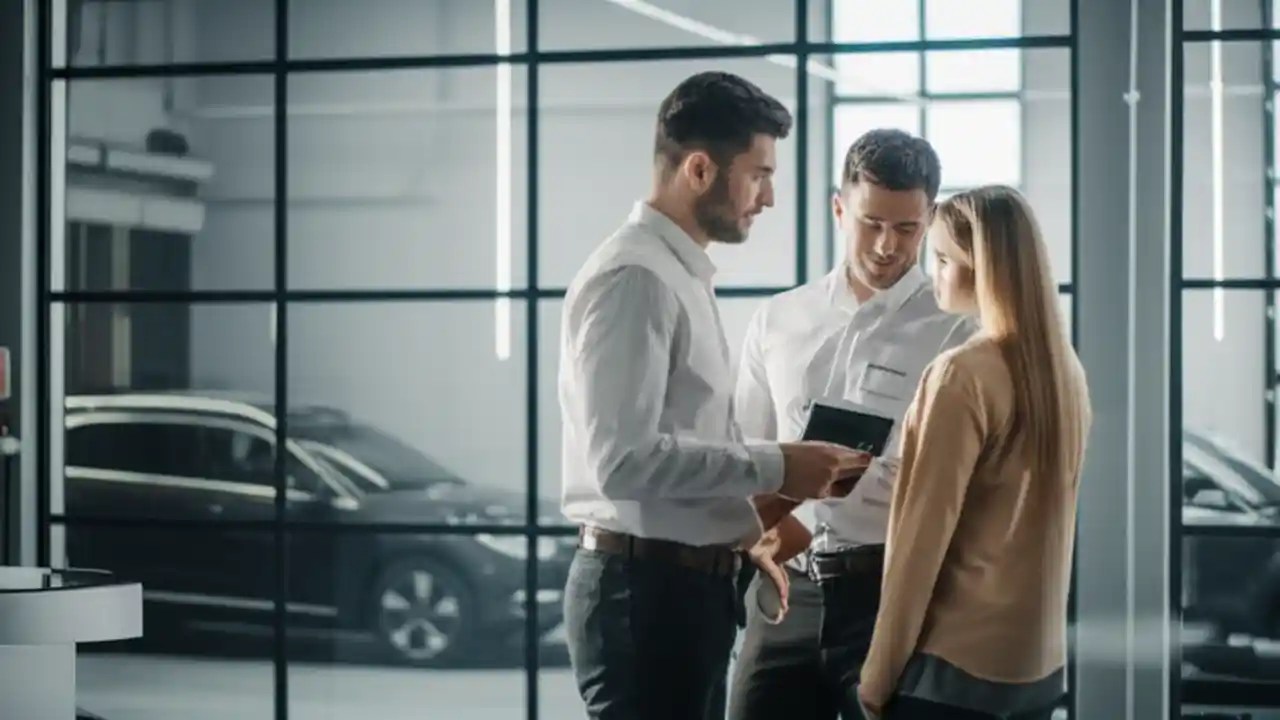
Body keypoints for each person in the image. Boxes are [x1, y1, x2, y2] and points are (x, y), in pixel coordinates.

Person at [558, 70, 870, 720]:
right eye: (759, 175)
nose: (770, 197)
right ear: (699, 169)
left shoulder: (678, 274)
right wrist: (780, 465)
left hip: (674, 588)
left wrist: (742, 534)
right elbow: (623, 462)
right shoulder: (636, 279)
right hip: (647, 597)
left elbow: (682, 444)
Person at [726, 129, 977, 720]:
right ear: (840, 209)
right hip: (786, 595)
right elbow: (743, 455)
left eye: (907, 228)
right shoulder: (777, 319)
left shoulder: (959, 332)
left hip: (894, 596)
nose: (887, 246)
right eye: (871, 223)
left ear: (930, 220)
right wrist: (759, 542)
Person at [856, 185, 1092, 720]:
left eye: (943, 260)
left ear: (982, 269)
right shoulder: (1065, 373)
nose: (933, 273)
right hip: (1036, 671)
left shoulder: (962, 375)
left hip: (953, 672)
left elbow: (920, 541)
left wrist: (878, 675)